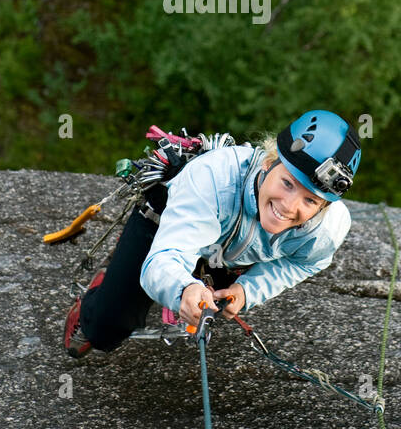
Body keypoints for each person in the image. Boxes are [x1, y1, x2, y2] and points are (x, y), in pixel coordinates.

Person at [64, 109, 362, 359]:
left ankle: (198, 273)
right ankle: (102, 291)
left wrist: (248, 290)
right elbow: (165, 259)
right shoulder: (212, 180)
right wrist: (184, 290)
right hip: (169, 220)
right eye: (287, 183)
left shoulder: (326, 229)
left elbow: (305, 262)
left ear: (324, 205)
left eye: (310, 200)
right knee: (106, 330)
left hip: (232, 253)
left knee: (218, 297)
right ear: (270, 163)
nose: (289, 206)